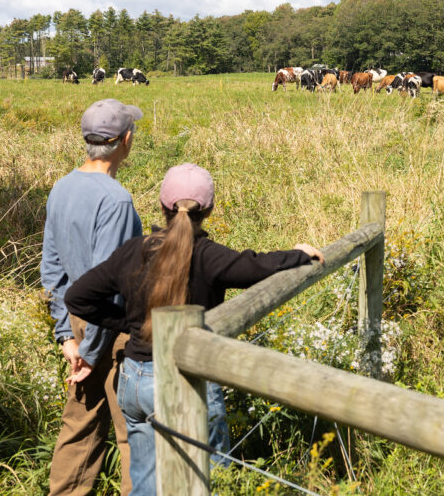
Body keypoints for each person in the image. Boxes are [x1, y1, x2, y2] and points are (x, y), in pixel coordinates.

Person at [64, 163, 324, 495]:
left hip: (134, 380)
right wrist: (297, 254)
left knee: (145, 482)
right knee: (210, 479)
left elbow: (77, 297)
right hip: (187, 375)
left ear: (162, 205)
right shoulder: (208, 255)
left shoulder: (134, 250)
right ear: (209, 210)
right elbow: (256, 265)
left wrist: (132, 324)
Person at [40, 98, 144, 496]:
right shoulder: (115, 199)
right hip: (113, 330)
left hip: (79, 324)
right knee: (133, 430)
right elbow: (107, 284)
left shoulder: (62, 186)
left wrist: (67, 336)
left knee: (78, 425)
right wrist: (93, 352)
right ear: (125, 140)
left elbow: (52, 268)